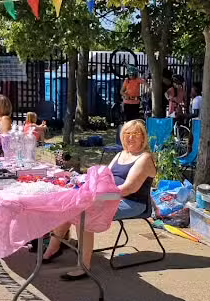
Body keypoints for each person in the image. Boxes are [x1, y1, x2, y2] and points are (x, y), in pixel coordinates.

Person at [41, 119, 156, 280]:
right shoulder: (120, 154)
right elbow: (104, 177)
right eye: (127, 134)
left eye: (135, 134)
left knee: (85, 213)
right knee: (70, 204)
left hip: (132, 202)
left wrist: (98, 197)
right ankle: (53, 248)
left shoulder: (144, 158)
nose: (130, 138)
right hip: (110, 197)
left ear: (143, 137)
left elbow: (129, 189)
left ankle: (83, 267)